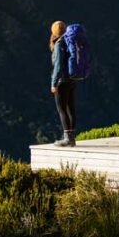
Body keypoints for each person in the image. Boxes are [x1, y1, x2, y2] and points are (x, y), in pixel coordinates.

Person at [50, 19, 77, 147]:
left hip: (62, 81)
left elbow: (58, 66)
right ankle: (72, 138)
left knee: (62, 109)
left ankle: (67, 138)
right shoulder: (69, 41)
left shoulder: (59, 44)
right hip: (72, 79)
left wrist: (54, 83)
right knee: (70, 108)